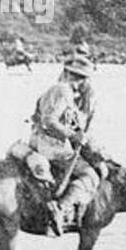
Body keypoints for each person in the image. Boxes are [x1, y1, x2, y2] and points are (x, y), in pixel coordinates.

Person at [29, 54, 102, 236]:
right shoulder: (64, 91)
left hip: (39, 141)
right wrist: (74, 136)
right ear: (82, 78)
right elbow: (50, 120)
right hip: (52, 147)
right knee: (90, 175)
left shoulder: (56, 89)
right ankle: (61, 209)